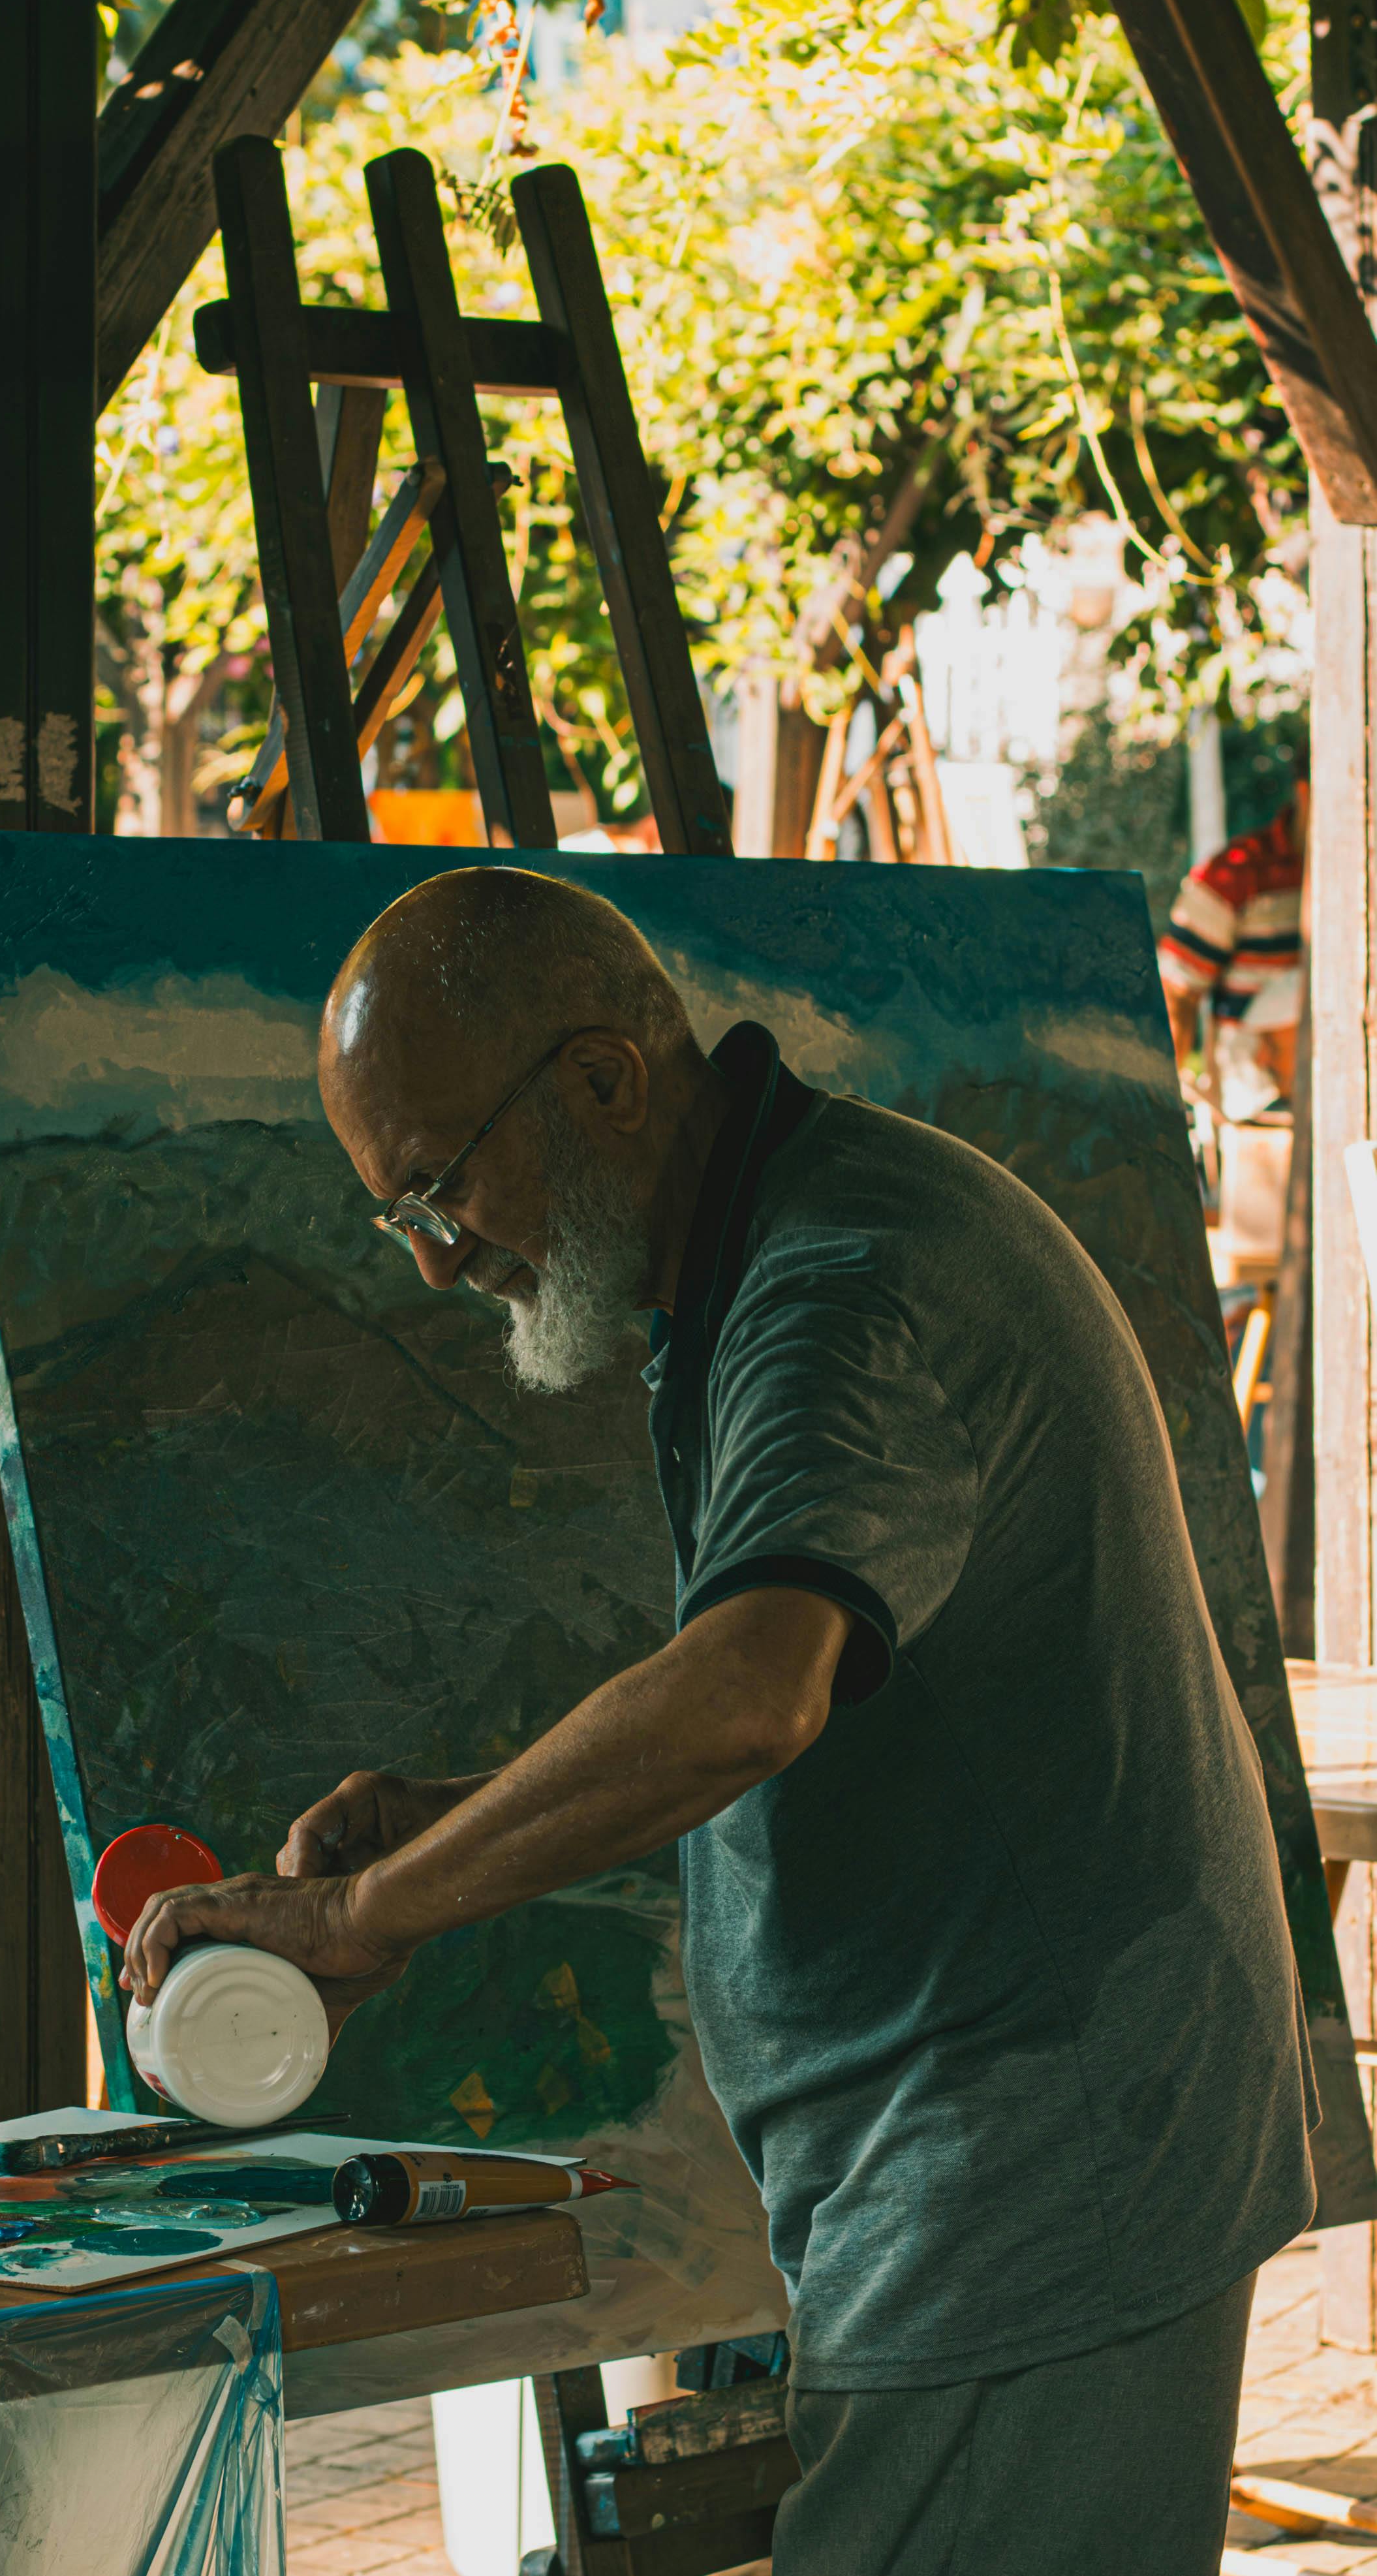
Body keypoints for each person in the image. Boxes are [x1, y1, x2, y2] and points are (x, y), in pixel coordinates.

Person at [121, 866, 1316, 2576]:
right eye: (399, 1218)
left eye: (441, 1188)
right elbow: (842, 1697)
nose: (442, 1259)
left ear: (601, 1078)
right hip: (1011, 2135)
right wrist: (462, 1814)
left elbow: (746, 1697)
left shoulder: (841, 1284)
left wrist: (366, 1912)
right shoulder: (794, 1226)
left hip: (1034, 2155)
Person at [1159, 760, 1307, 1111]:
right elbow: (1176, 992)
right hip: (1255, 1107)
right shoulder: (1237, 873)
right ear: (1306, 791)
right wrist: (1159, 1104)